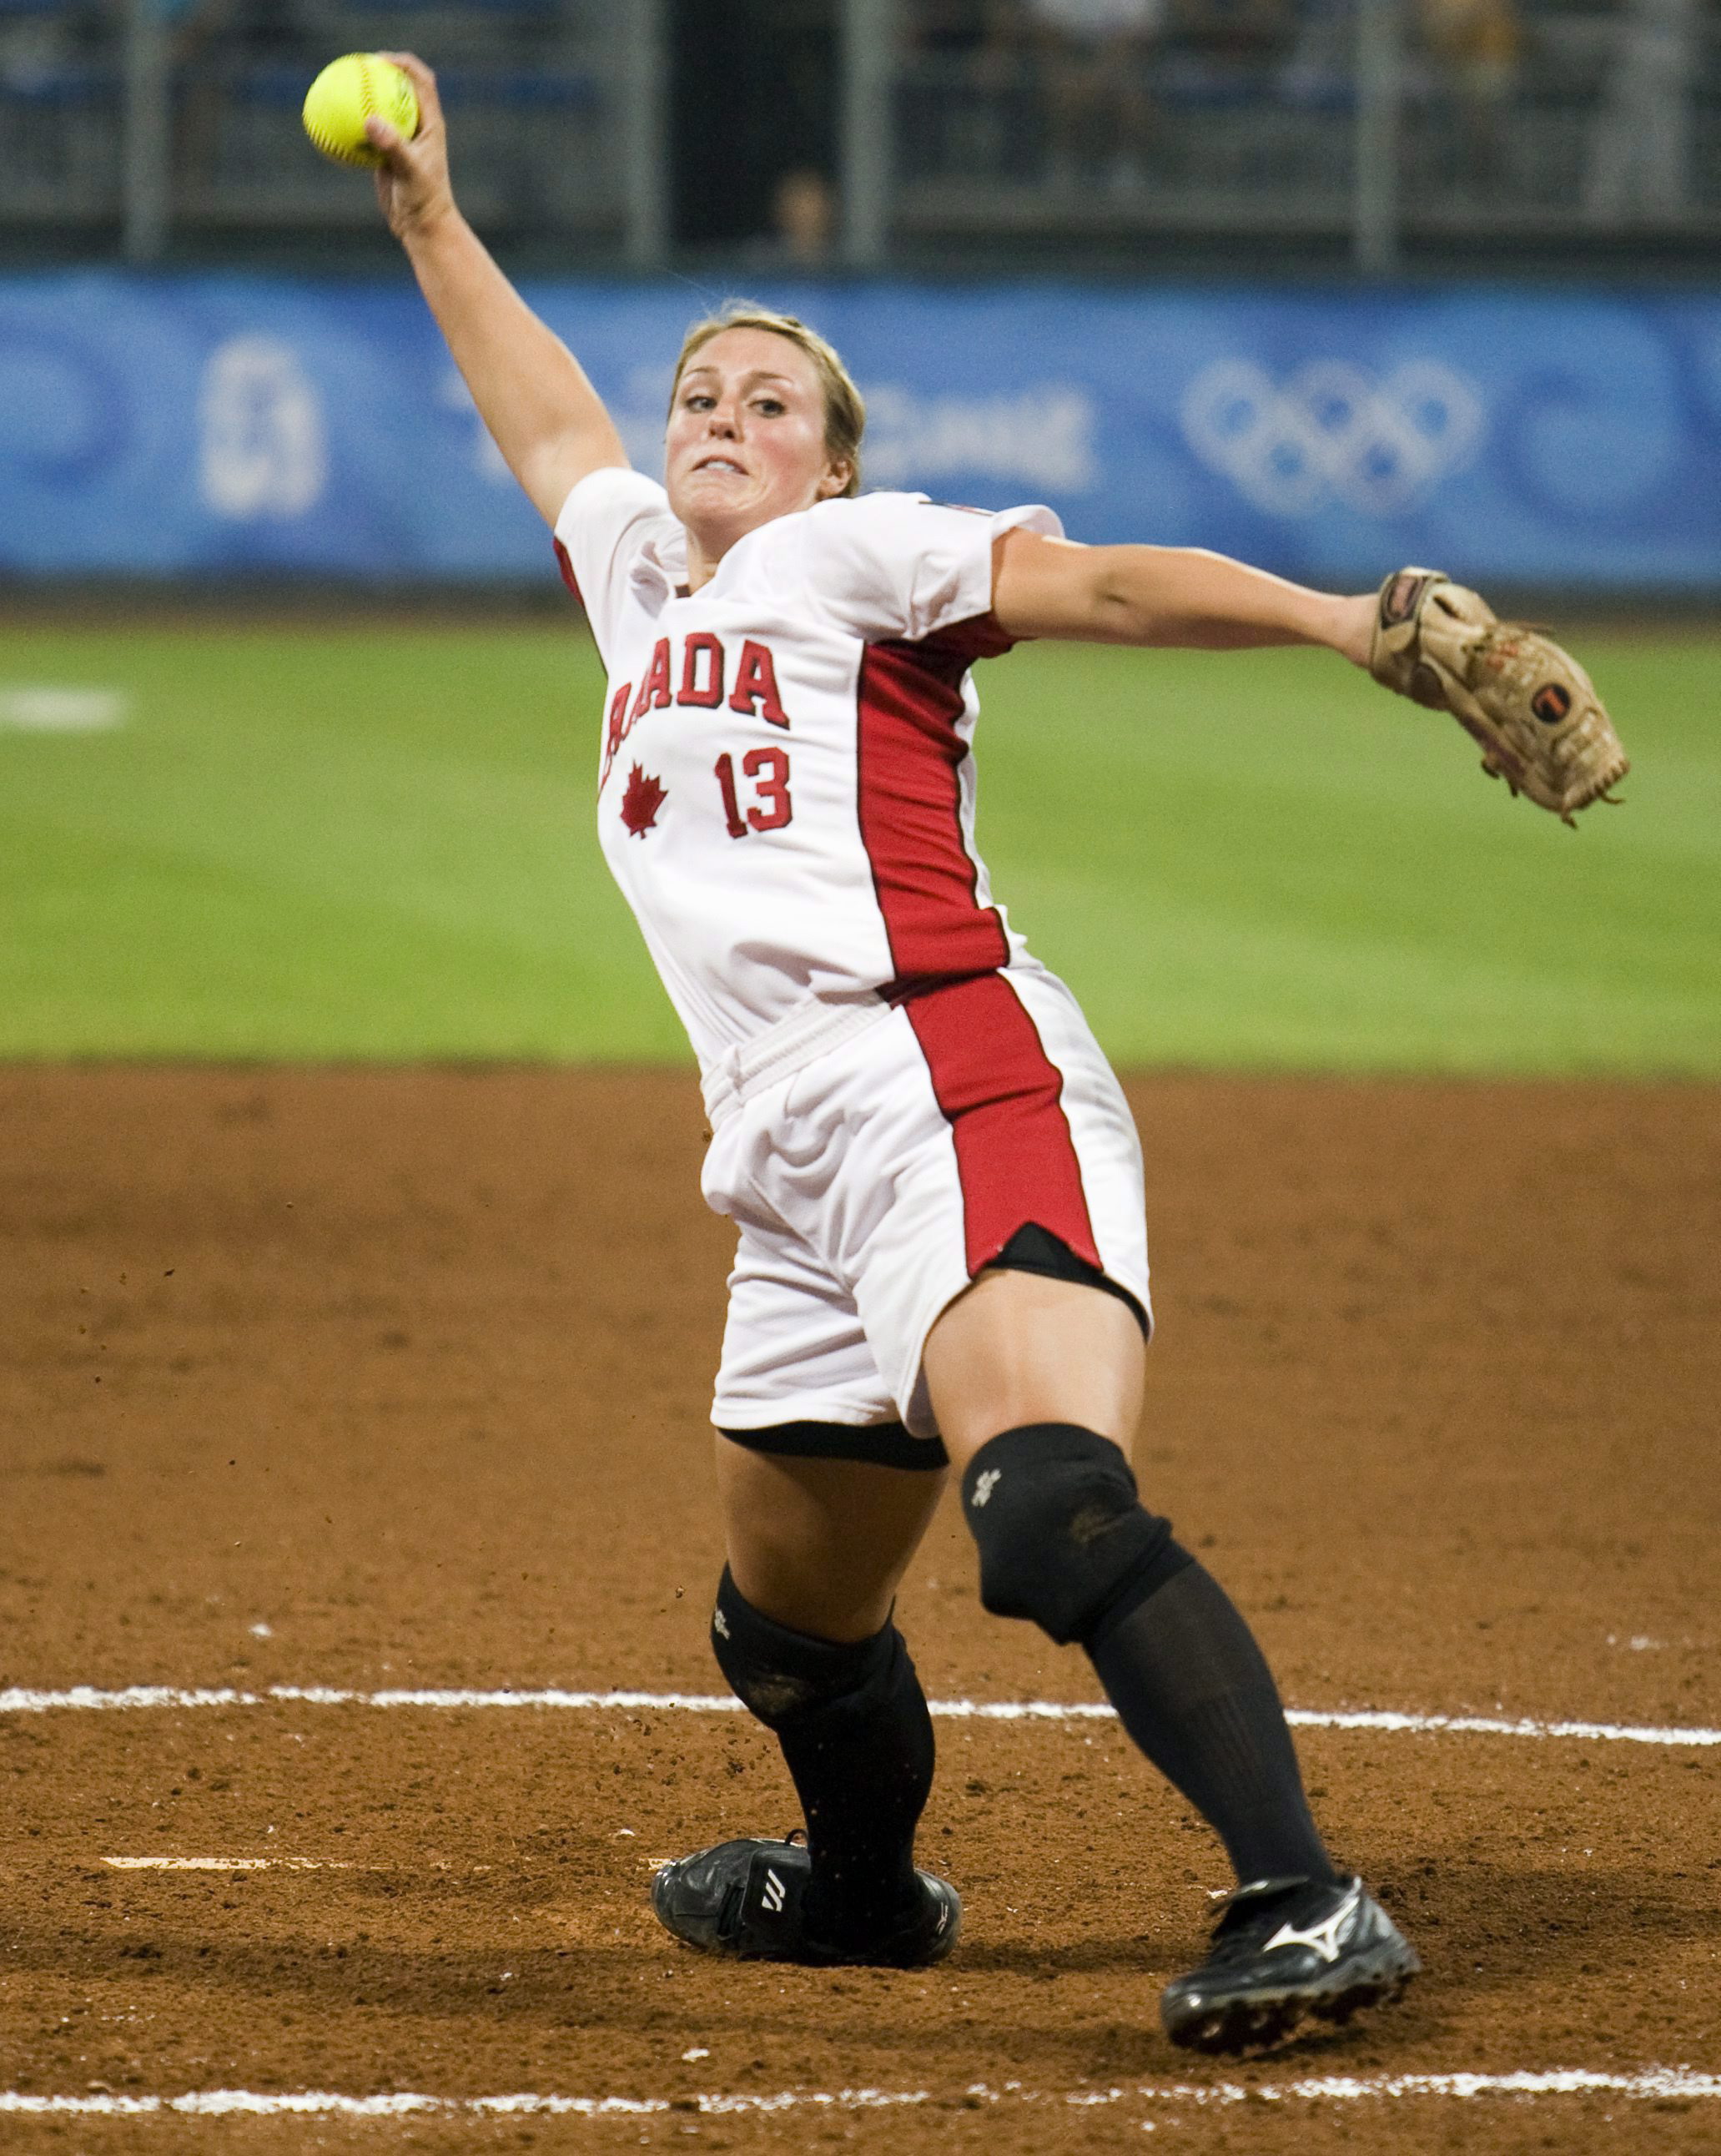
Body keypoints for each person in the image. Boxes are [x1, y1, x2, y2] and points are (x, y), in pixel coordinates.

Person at [364, 54, 1420, 2057]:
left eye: (774, 402)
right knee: (788, 1624)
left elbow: (1103, 581)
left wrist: (1346, 621)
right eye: (703, 395)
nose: (723, 416)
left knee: (1045, 1507)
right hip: (786, 1165)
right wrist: (425, 208)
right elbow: (545, 415)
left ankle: (1307, 1891)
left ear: (835, 466)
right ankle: (862, 1897)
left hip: (951, 1075)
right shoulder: (644, 590)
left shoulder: (857, 562)